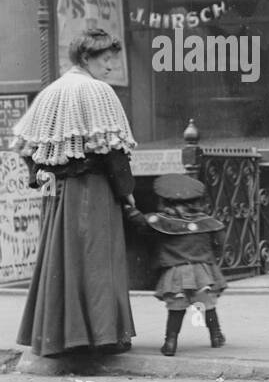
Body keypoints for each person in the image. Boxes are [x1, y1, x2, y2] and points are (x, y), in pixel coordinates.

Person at [11, 28, 137, 356]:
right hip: (94, 191)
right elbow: (113, 151)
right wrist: (126, 191)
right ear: (85, 58)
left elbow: (26, 146)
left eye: (112, 59)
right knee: (97, 260)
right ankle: (100, 336)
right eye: (105, 59)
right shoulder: (98, 92)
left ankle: (63, 337)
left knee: (62, 261)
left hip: (59, 194)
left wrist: (40, 175)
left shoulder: (52, 92)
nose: (110, 66)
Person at [125, 173, 228, 356]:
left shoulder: (161, 222)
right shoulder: (208, 223)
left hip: (175, 272)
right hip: (202, 271)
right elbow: (219, 245)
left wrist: (131, 209)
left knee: (176, 308)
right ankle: (216, 336)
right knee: (206, 305)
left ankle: (170, 343)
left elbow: (141, 223)